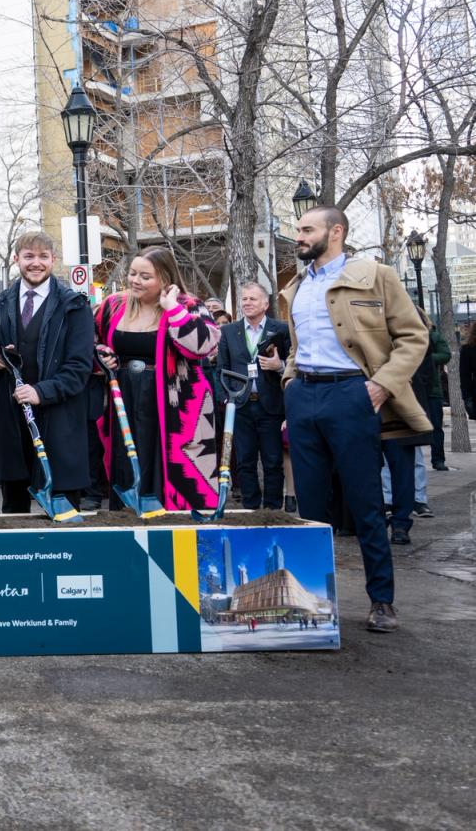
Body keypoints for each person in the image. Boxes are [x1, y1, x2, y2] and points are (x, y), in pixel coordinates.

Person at [279, 206, 428, 634]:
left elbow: (413, 336)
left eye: (307, 230)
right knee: (310, 510)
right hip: (303, 397)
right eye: (299, 231)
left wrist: (381, 385)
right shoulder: (296, 287)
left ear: (336, 232)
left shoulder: (376, 275)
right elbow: (297, 345)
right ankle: (316, 606)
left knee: (364, 505)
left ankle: (382, 601)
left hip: (352, 395)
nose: (299, 238)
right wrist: (290, 380)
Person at [93, 247, 221, 511]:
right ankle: (128, 518)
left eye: (145, 276)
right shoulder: (113, 305)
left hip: (174, 401)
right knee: (126, 461)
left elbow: (203, 346)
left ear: (164, 278)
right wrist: (101, 355)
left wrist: (173, 309)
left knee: (169, 467)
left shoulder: (189, 305)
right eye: (132, 274)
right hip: (124, 396)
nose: (135, 281)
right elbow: (90, 342)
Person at [0, 232, 96, 515]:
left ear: (53, 260)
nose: (36, 263)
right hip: (12, 422)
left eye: (43, 256)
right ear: (16, 259)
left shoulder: (75, 307)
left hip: (60, 423)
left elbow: (80, 367)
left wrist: (41, 392)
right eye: (29, 256)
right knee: (14, 516)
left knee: (64, 514)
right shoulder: (0, 305)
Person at [217, 282, 291, 511]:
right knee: (245, 461)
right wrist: (226, 398)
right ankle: (250, 507)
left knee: (272, 461)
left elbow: (292, 366)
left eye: (253, 299)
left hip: (271, 406)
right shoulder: (229, 331)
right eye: (244, 299)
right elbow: (222, 367)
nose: (247, 303)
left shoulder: (281, 329)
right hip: (240, 406)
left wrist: (280, 366)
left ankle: (272, 509)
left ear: (266, 304)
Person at [378, 306, 436, 546]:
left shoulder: (411, 327)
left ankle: (401, 522)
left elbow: (423, 360)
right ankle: (378, 519)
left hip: (400, 406)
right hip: (368, 407)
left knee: (402, 468)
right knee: (369, 469)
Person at [426, 320, 450, 473]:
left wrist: (425, 358)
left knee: (435, 426)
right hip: (409, 388)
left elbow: (445, 355)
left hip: (432, 389)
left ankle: (438, 459)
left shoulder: (434, 336)